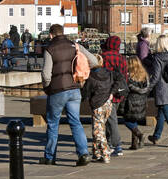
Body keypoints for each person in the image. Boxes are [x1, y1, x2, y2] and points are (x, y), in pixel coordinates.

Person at [39, 23, 97, 166]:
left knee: (53, 123)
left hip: (57, 90)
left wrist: (47, 87)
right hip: (74, 89)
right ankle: (83, 153)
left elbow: (46, 75)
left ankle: (50, 156)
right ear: (63, 32)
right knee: (75, 122)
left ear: (51, 35)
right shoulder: (75, 45)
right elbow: (94, 61)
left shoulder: (50, 49)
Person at [100, 35, 129, 156]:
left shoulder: (103, 57)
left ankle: (117, 146)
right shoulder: (122, 58)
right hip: (119, 92)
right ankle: (110, 143)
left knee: (111, 120)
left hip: (107, 91)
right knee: (110, 118)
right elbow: (125, 76)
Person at [83, 62, 115, 163]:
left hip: (97, 105)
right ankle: (96, 153)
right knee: (99, 128)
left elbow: (85, 92)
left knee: (98, 131)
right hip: (108, 103)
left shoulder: (91, 77)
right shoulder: (108, 73)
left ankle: (105, 153)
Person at [122, 56, 150, 150]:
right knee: (133, 120)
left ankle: (140, 134)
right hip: (142, 100)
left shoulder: (129, 76)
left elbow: (128, 86)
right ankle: (134, 144)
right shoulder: (144, 74)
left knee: (127, 121)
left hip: (132, 101)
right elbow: (147, 87)